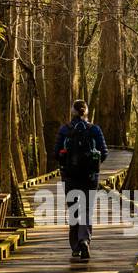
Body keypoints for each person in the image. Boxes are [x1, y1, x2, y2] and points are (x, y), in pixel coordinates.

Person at [54, 100, 108, 261]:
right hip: (90, 177)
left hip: (69, 177)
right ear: (86, 112)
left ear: (73, 111)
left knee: (74, 210)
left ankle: (75, 247)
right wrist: (93, 165)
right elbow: (104, 152)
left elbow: (56, 153)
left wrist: (65, 163)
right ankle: (84, 239)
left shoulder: (65, 129)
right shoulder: (94, 129)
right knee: (86, 209)